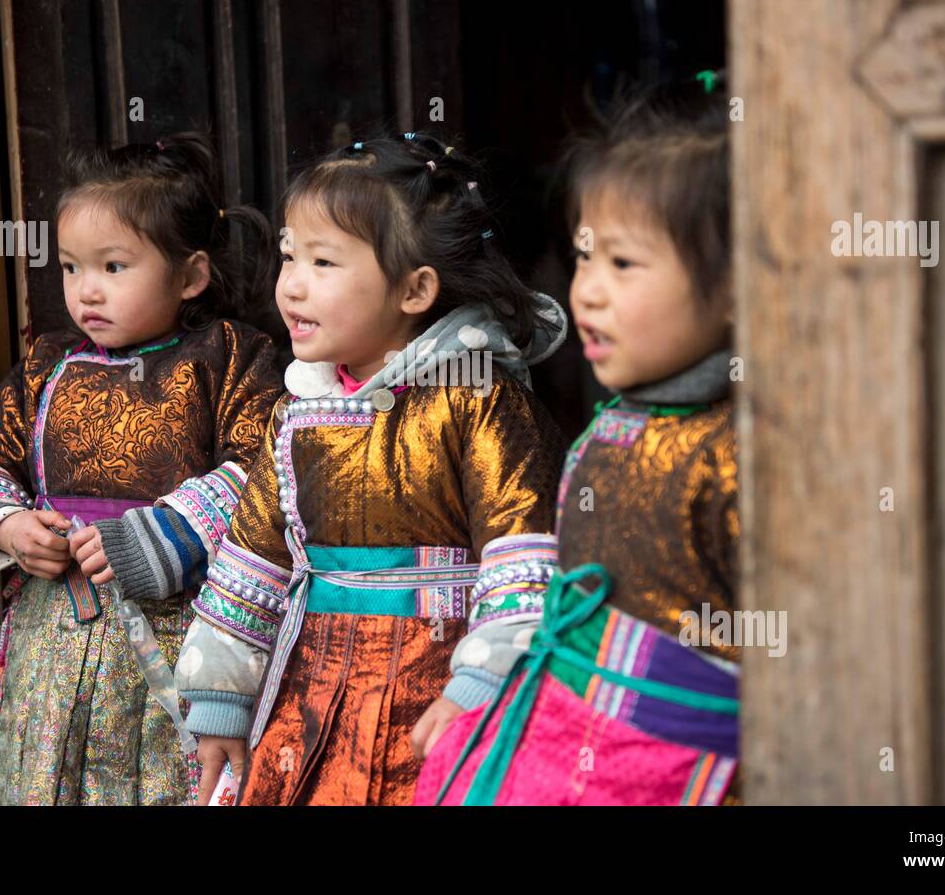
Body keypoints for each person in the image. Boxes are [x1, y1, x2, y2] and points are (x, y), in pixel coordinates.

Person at [175, 132, 569, 805]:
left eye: (324, 261)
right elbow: (253, 560)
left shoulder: (478, 400)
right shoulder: (299, 413)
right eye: (290, 255)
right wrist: (219, 697)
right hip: (311, 698)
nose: (291, 283)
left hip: (439, 698)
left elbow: (524, 559)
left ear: (415, 290)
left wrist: (482, 684)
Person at [416, 79, 741, 805]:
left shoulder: (742, 455)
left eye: (622, 264)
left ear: (735, 288)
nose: (586, 290)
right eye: (585, 257)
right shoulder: (612, 428)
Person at [0, 133, 283, 804]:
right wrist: (7, 527)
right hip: (54, 639)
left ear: (191, 275)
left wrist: (156, 539)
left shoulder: (228, 356)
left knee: (161, 782)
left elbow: (264, 468)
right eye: (70, 268)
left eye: (113, 267)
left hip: (176, 633)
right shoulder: (47, 363)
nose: (85, 290)